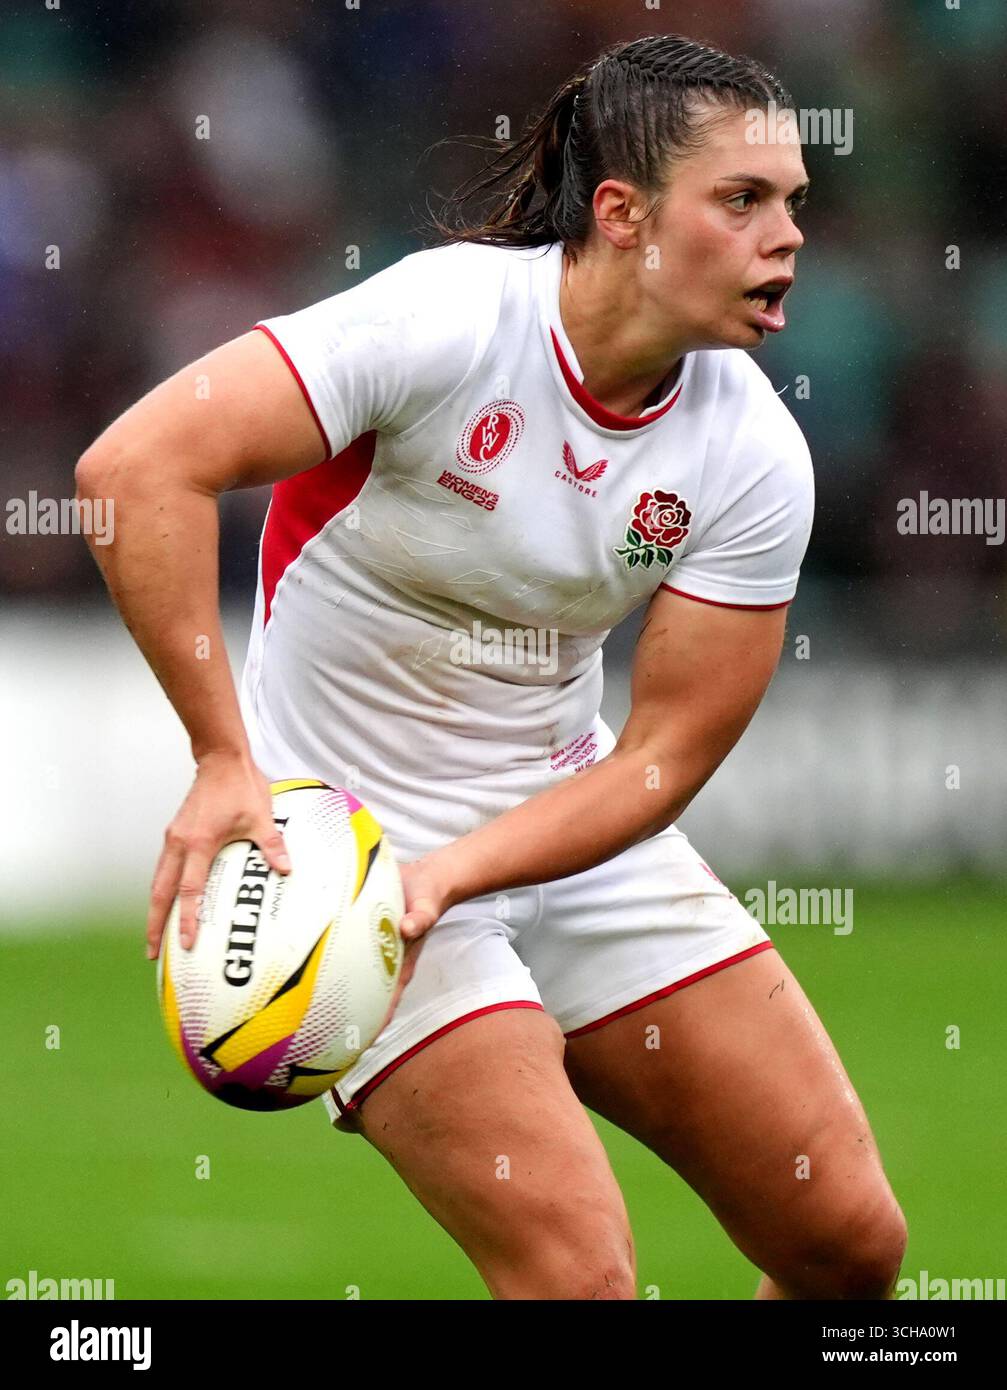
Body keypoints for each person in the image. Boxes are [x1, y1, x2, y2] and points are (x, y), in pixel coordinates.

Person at [78, 33, 907, 1300]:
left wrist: (456, 873)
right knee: (577, 1277)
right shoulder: (446, 319)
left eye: (792, 200)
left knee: (846, 1243)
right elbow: (132, 471)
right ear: (621, 214)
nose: (785, 233)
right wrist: (220, 758)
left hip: (556, 832)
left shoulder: (750, 454)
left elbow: (660, 760)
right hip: (349, 860)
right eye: (741, 200)